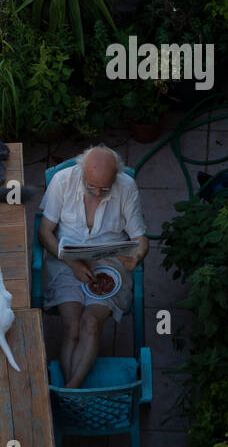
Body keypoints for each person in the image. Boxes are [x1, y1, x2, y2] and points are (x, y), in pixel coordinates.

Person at [38, 144, 149, 389]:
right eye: (91, 186)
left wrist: (138, 255)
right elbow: (44, 232)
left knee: (91, 323)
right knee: (73, 327)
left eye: (104, 188)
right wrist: (72, 263)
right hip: (66, 261)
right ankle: (73, 388)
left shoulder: (126, 187)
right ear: (82, 172)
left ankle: (72, 388)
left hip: (109, 263)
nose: (97, 193)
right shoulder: (62, 181)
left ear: (115, 178)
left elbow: (140, 238)